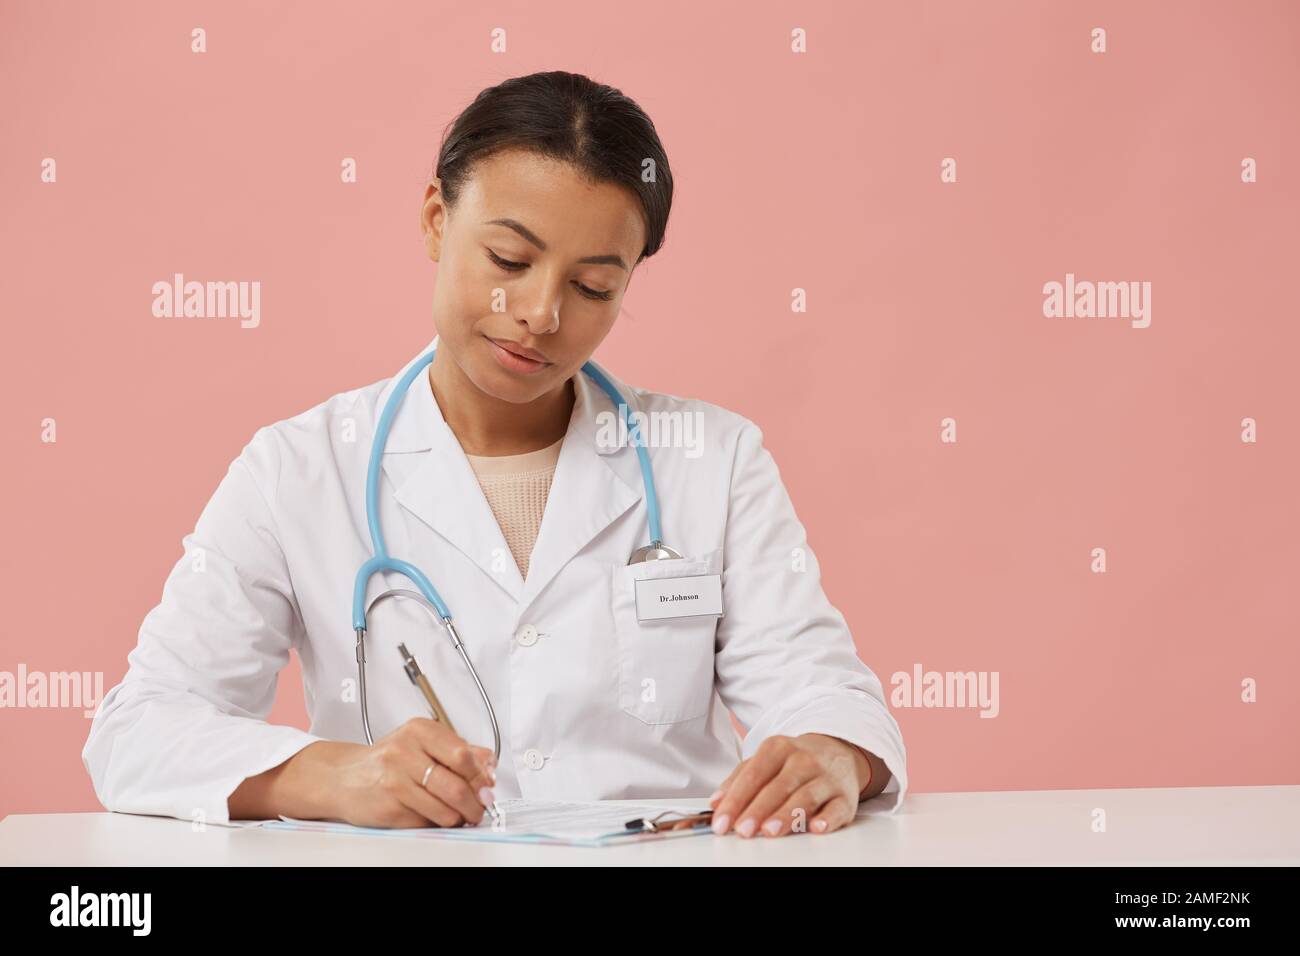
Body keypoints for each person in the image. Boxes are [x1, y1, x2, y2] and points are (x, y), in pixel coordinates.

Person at [82, 70, 907, 839]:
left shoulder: (712, 459)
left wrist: (835, 752)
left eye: (593, 287)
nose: (542, 314)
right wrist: (331, 776)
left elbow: (823, 692)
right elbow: (138, 729)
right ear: (437, 220)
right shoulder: (297, 470)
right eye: (510, 261)